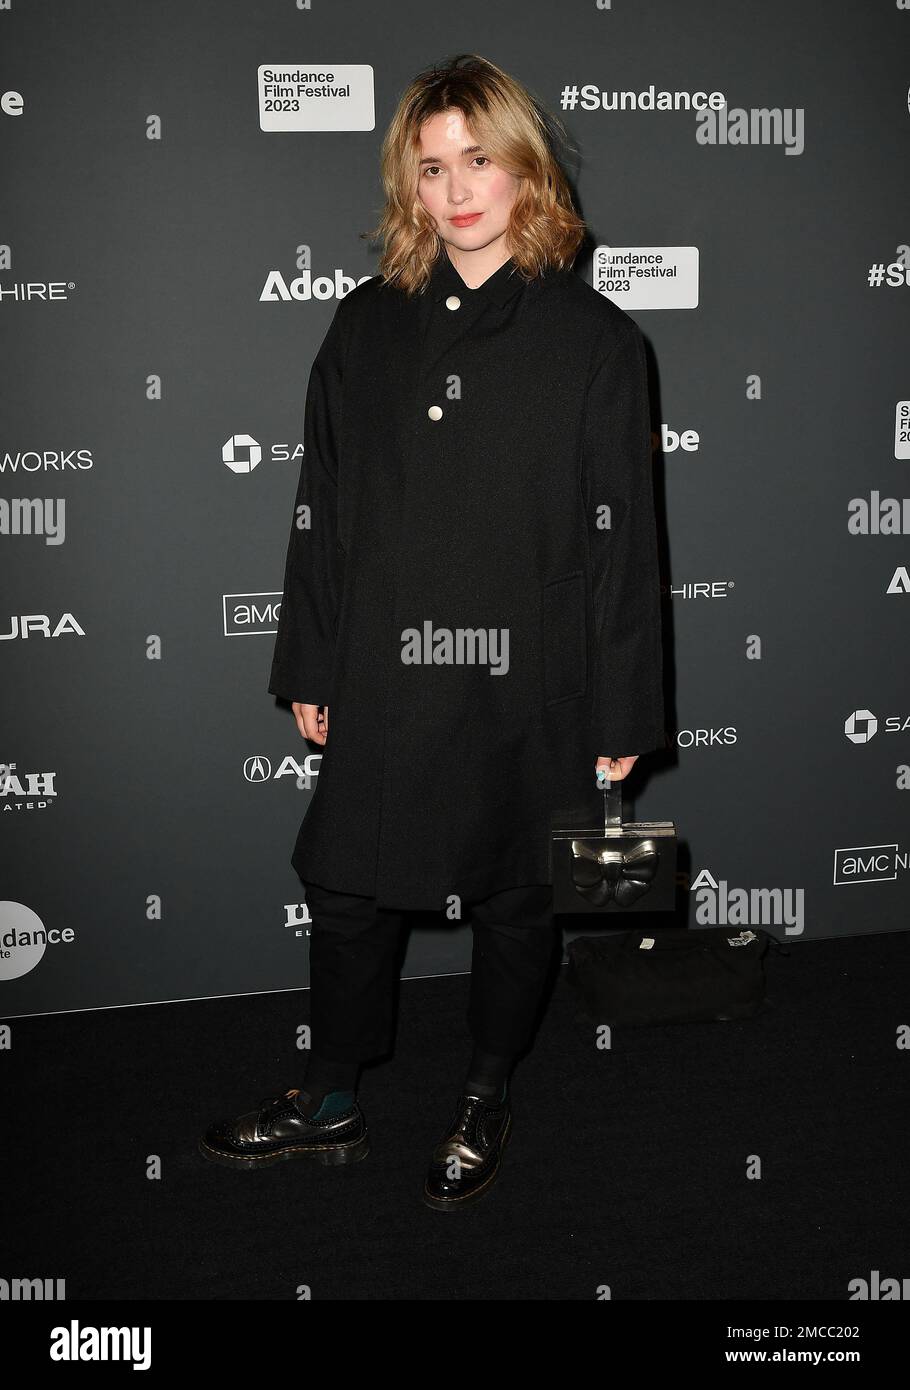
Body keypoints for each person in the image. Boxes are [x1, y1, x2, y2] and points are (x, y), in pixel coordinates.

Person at [199, 54, 665, 1210]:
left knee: (521, 893)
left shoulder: (598, 343)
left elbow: (623, 546)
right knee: (347, 884)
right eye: (432, 167)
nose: (457, 190)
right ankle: (333, 1093)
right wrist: (311, 657)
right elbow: (322, 512)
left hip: (530, 679)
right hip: (387, 671)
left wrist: (621, 711)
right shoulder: (362, 328)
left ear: (525, 171)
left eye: (479, 161)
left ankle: (487, 1084)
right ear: (408, 185)